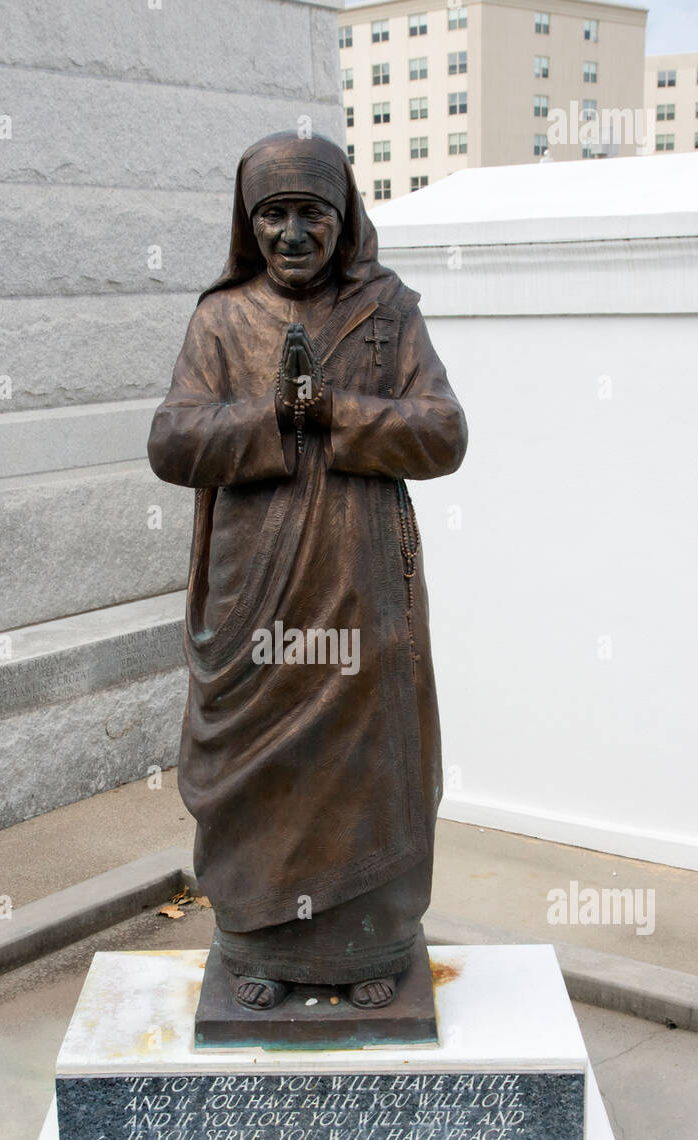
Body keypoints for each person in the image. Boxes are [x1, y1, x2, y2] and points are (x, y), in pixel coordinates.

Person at [148, 131, 467, 1012]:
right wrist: (270, 419)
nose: (293, 233)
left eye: (312, 213)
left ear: (345, 216)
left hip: (361, 585)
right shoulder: (222, 318)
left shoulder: (388, 310)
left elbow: (444, 434)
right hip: (255, 592)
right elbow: (171, 441)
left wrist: (335, 410)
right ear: (250, 226)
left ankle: (373, 944)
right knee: (260, 772)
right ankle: (255, 937)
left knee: (364, 761)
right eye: (274, 215)